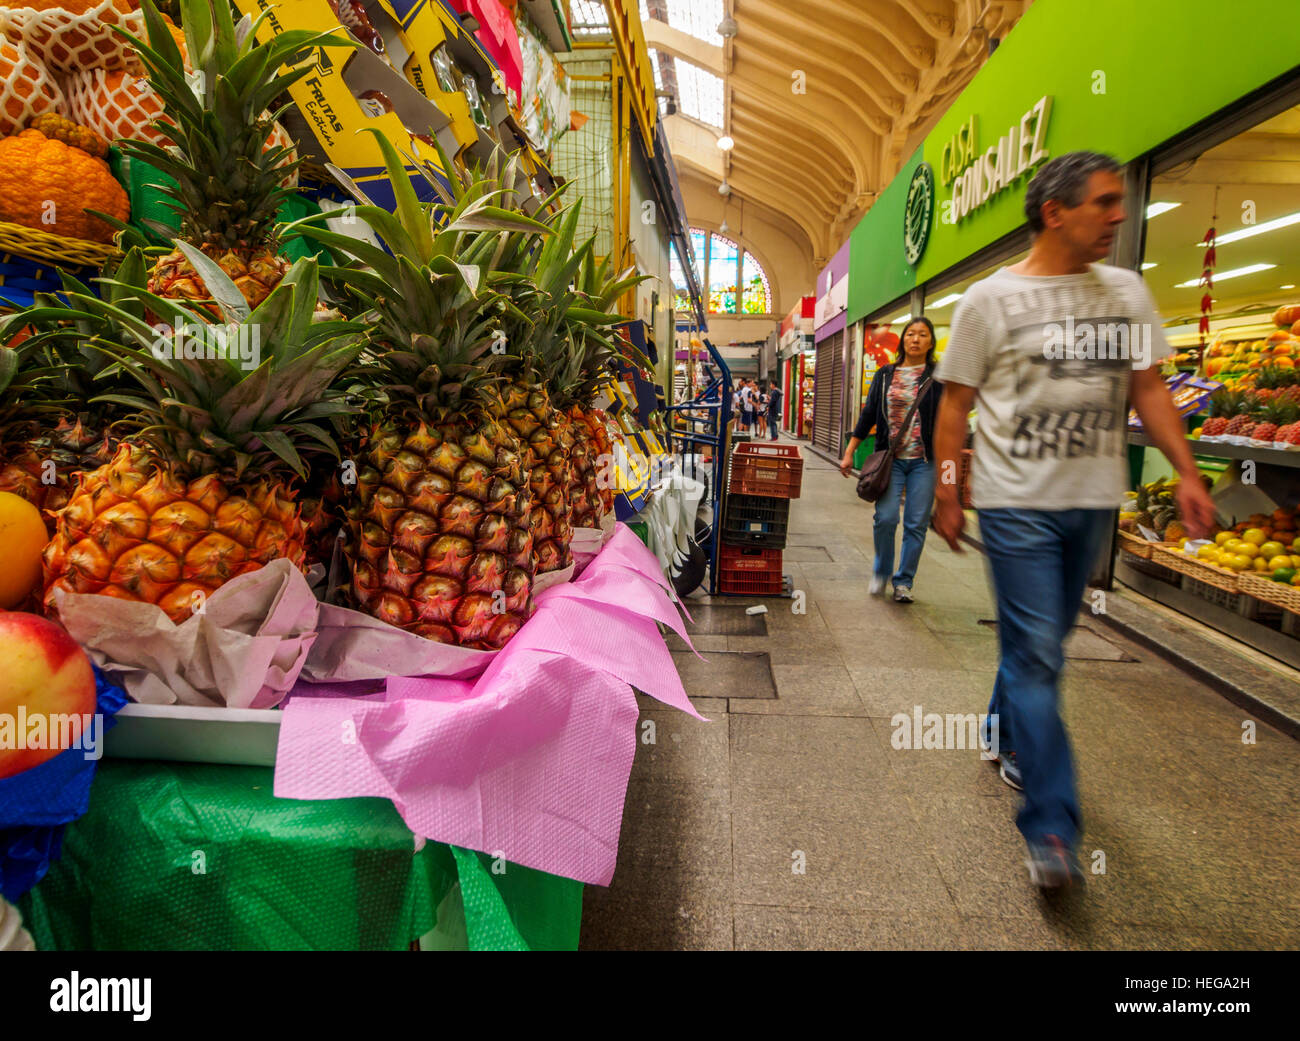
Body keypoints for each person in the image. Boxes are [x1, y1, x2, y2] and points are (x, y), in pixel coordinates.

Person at [931, 151, 1216, 890]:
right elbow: (954, 407)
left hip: (1092, 500)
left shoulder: (1125, 292)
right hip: (1016, 500)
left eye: (1122, 202)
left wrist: (1186, 471)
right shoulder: (988, 302)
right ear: (1054, 211)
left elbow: (1149, 387)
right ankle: (1052, 827)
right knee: (1039, 658)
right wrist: (951, 490)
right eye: (1103, 203)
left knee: (1042, 641)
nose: (1119, 217)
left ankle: (1001, 727)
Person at [840, 318, 942, 603]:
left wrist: (949, 476)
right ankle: (882, 571)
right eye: (911, 334)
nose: (916, 339)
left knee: (916, 524)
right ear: (903, 340)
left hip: (925, 462)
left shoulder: (940, 378)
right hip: (891, 461)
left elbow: (948, 424)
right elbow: (869, 415)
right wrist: (849, 453)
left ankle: (903, 581)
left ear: (930, 342)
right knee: (885, 518)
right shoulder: (885, 375)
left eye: (923, 334)